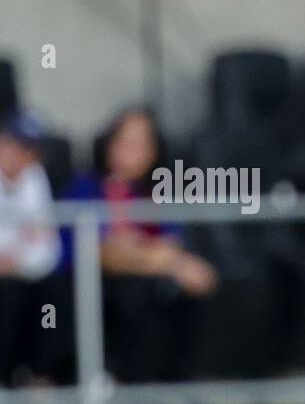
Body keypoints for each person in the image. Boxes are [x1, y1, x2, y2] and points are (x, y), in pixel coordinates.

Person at [67, 107, 219, 384]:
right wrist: (170, 263)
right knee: (136, 291)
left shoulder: (157, 191)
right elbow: (105, 255)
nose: (133, 151)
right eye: (126, 142)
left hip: (152, 280)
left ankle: (177, 386)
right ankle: (128, 385)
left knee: (195, 287)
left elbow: (171, 244)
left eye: (142, 143)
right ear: (108, 145)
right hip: (93, 285)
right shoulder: (87, 187)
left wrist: (162, 258)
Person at [0, 111, 61, 387]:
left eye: (31, 150)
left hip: (24, 276)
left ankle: (38, 384)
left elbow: (47, 250)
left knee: (53, 298)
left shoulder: (35, 178)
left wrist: (16, 260)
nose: (24, 156)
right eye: (17, 146)